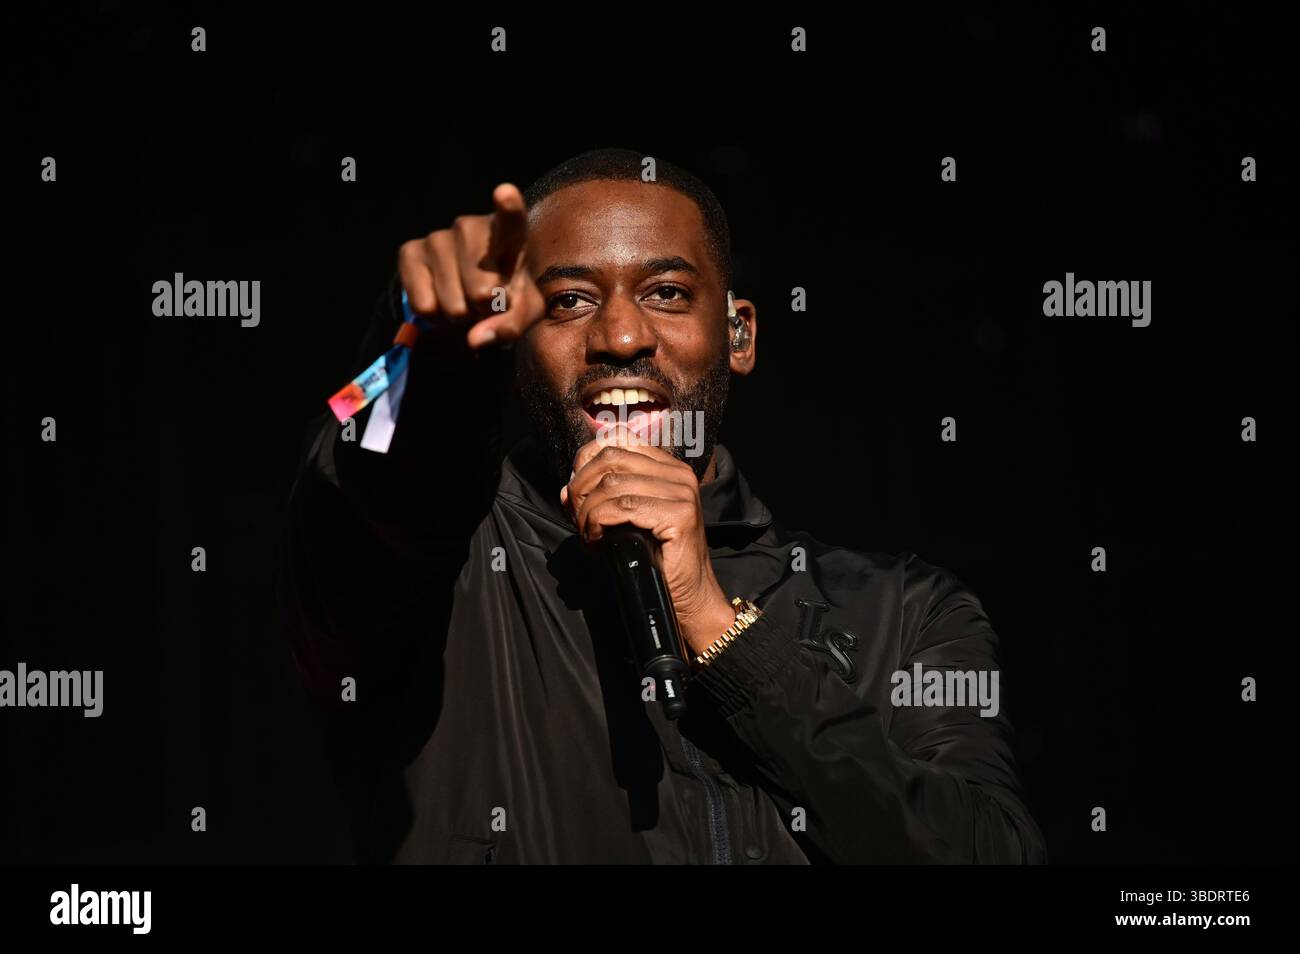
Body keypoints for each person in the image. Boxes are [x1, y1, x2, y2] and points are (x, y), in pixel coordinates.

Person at [277, 147, 1047, 864]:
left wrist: (721, 631)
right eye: (569, 300)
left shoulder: (906, 614)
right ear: (513, 339)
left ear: (738, 334)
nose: (618, 335)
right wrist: (418, 350)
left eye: (667, 292)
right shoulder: (443, 574)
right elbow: (351, 465)